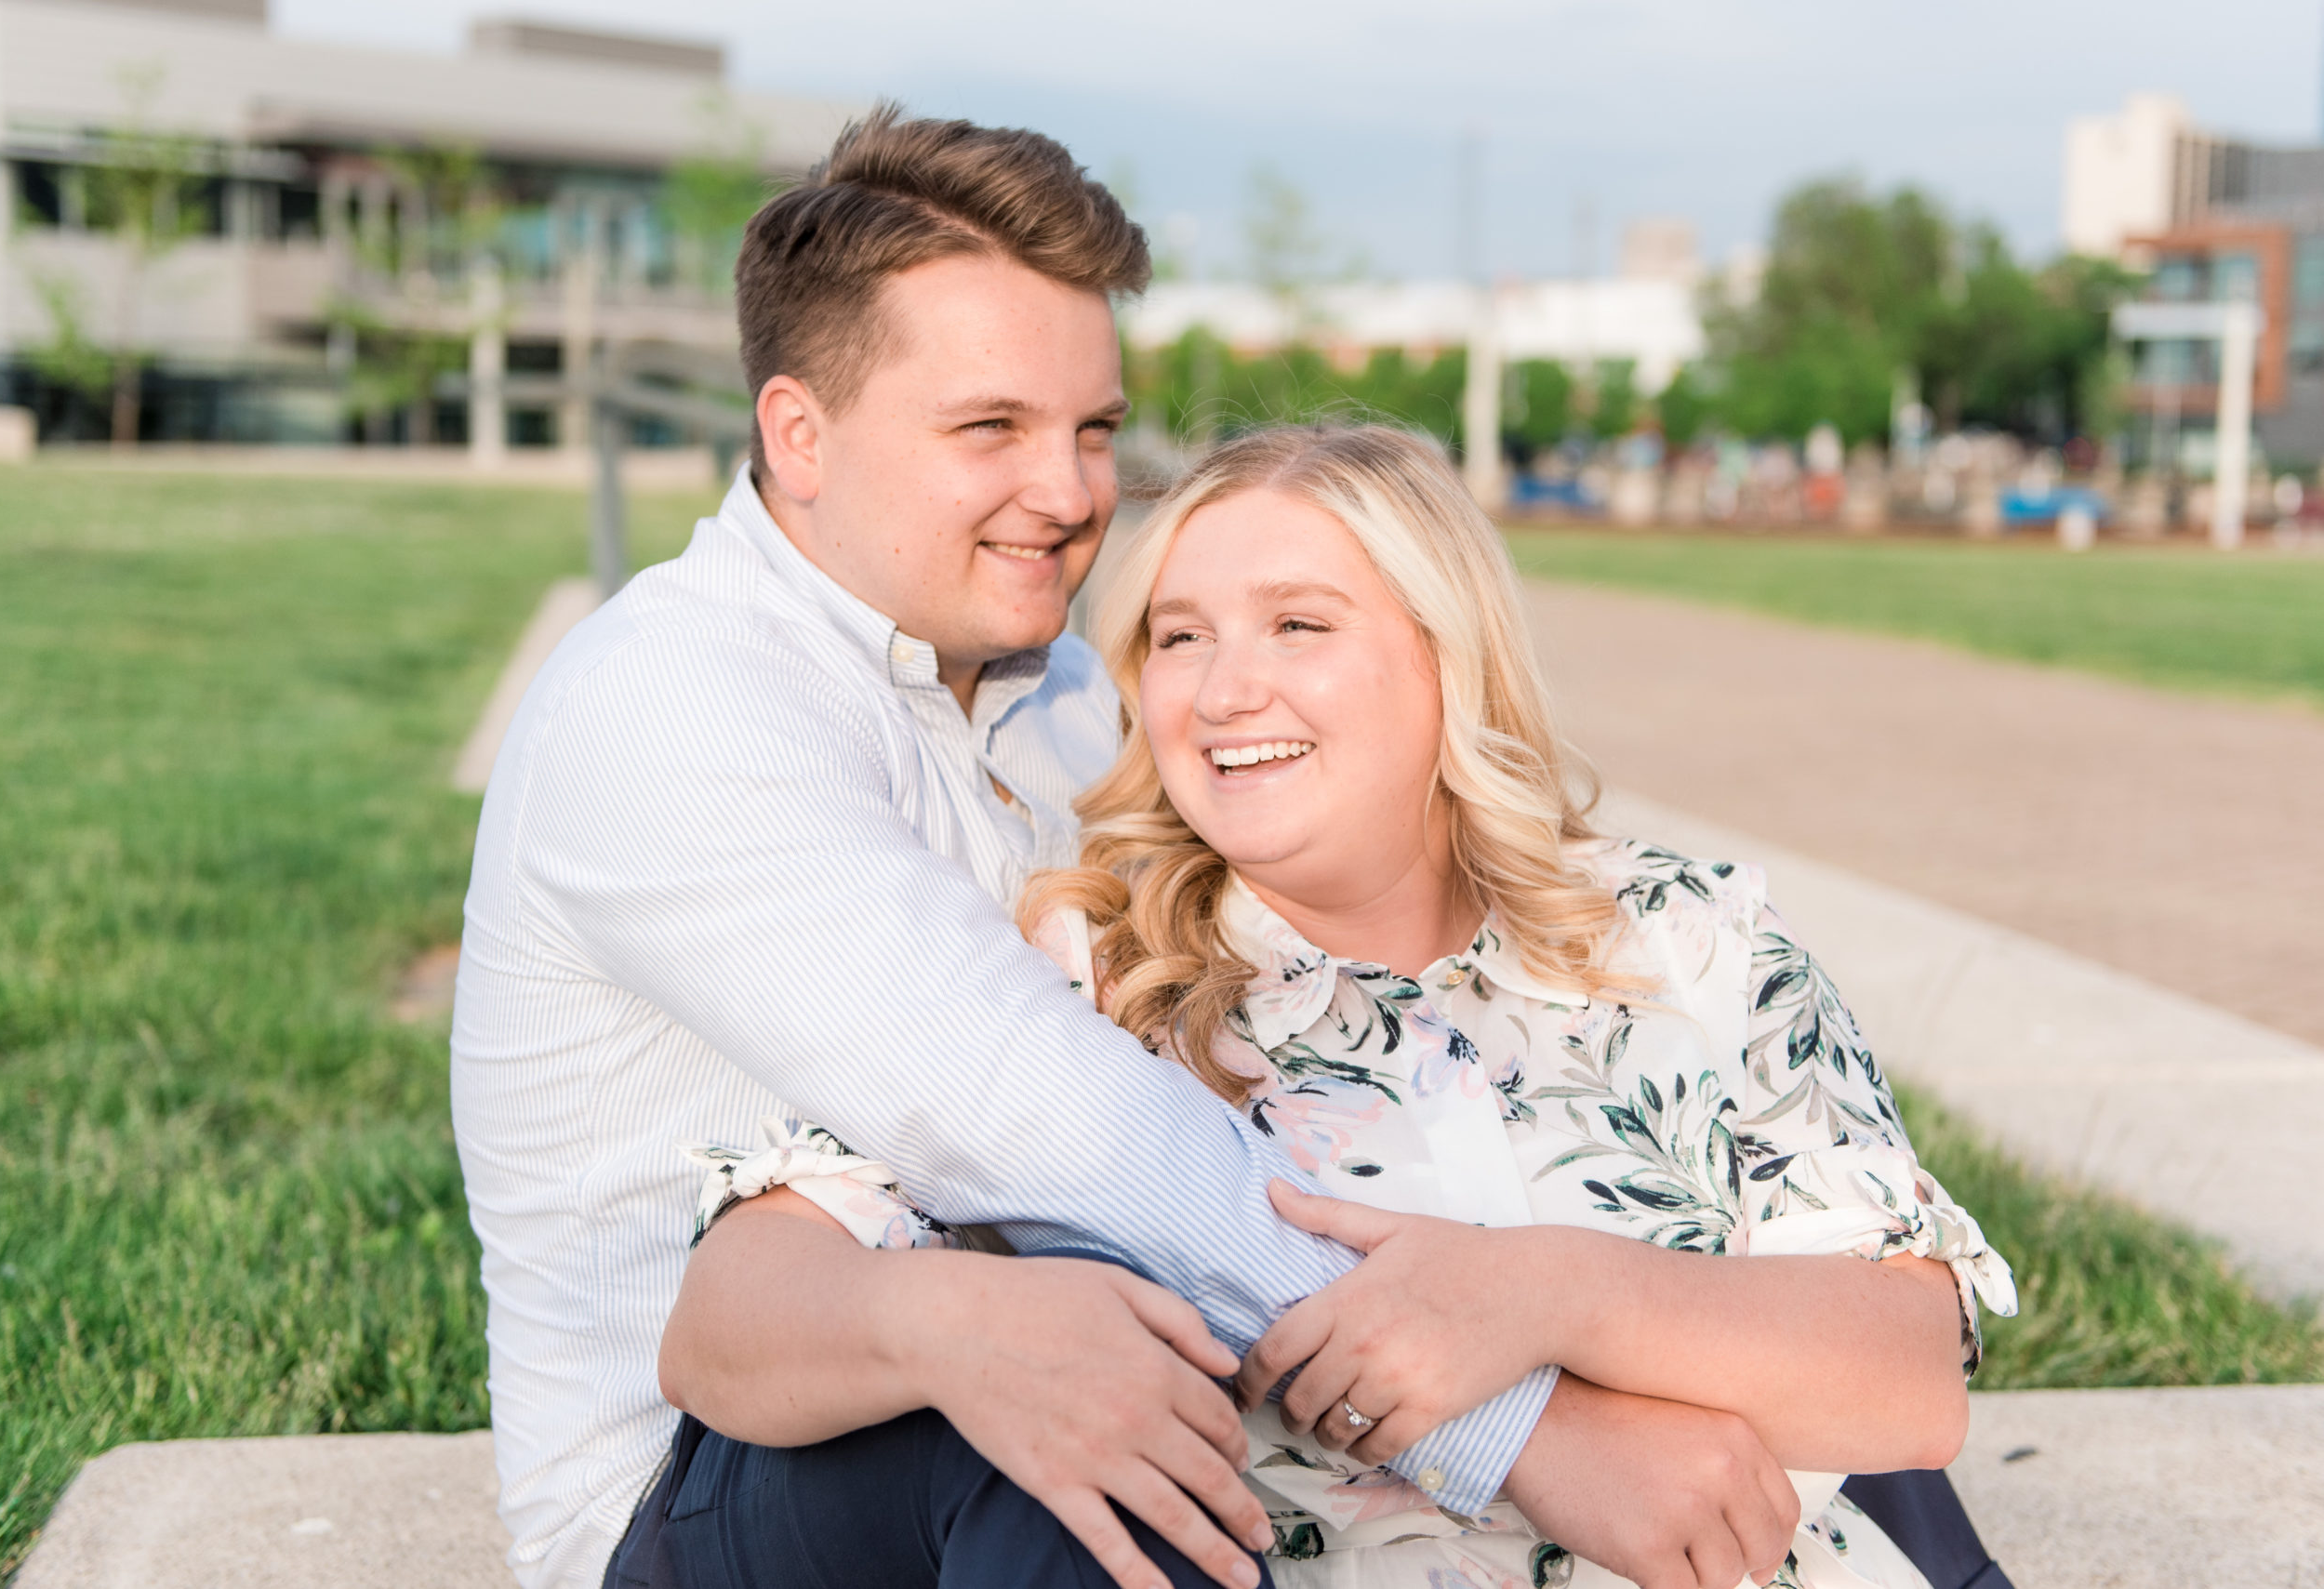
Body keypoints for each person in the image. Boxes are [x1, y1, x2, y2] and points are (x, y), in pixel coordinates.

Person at [453, 112, 1579, 1589]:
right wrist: (1526, 1417)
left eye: (1094, 430)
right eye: (991, 429)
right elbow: (1037, 1116)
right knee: (1087, 1424)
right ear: (798, 435)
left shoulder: (1063, 693)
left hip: (1065, 1306)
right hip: (711, 1466)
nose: (1068, 493)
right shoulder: (673, 705)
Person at [662, 424, 2019, 1589]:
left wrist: (1543, 1293)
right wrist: (966, 1329)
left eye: (1299, 625)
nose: (1223, 687)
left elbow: (1911, 1376)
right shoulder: (1075, 970)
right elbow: (728, 1324)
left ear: (1447, 656)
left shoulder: (1684, 935)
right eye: (1179, 637)